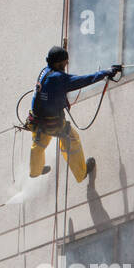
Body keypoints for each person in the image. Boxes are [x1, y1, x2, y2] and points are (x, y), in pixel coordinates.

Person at [27, 46, 122, 182]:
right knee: (73, 141)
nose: (66, 65)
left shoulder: (45, 71)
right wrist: (106, 73)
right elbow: (82, 80)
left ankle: (35, 171)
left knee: (39, 143)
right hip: (52, 122)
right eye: (65, 62)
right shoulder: (57, 78)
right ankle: (81, 173)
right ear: (59, 62)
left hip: (36, 120)